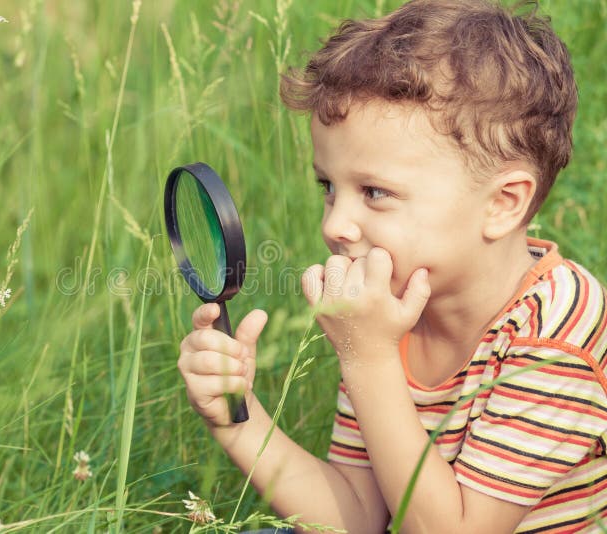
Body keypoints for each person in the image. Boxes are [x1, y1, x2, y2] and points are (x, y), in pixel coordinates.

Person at [176, 0, 607, 532]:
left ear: (502, 204)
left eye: (375, 192)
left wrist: (368, 359)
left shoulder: (556, 329)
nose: (335, 224)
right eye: (329, 187)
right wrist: (239, 423)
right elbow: (357, 517)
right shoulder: (389, 311)